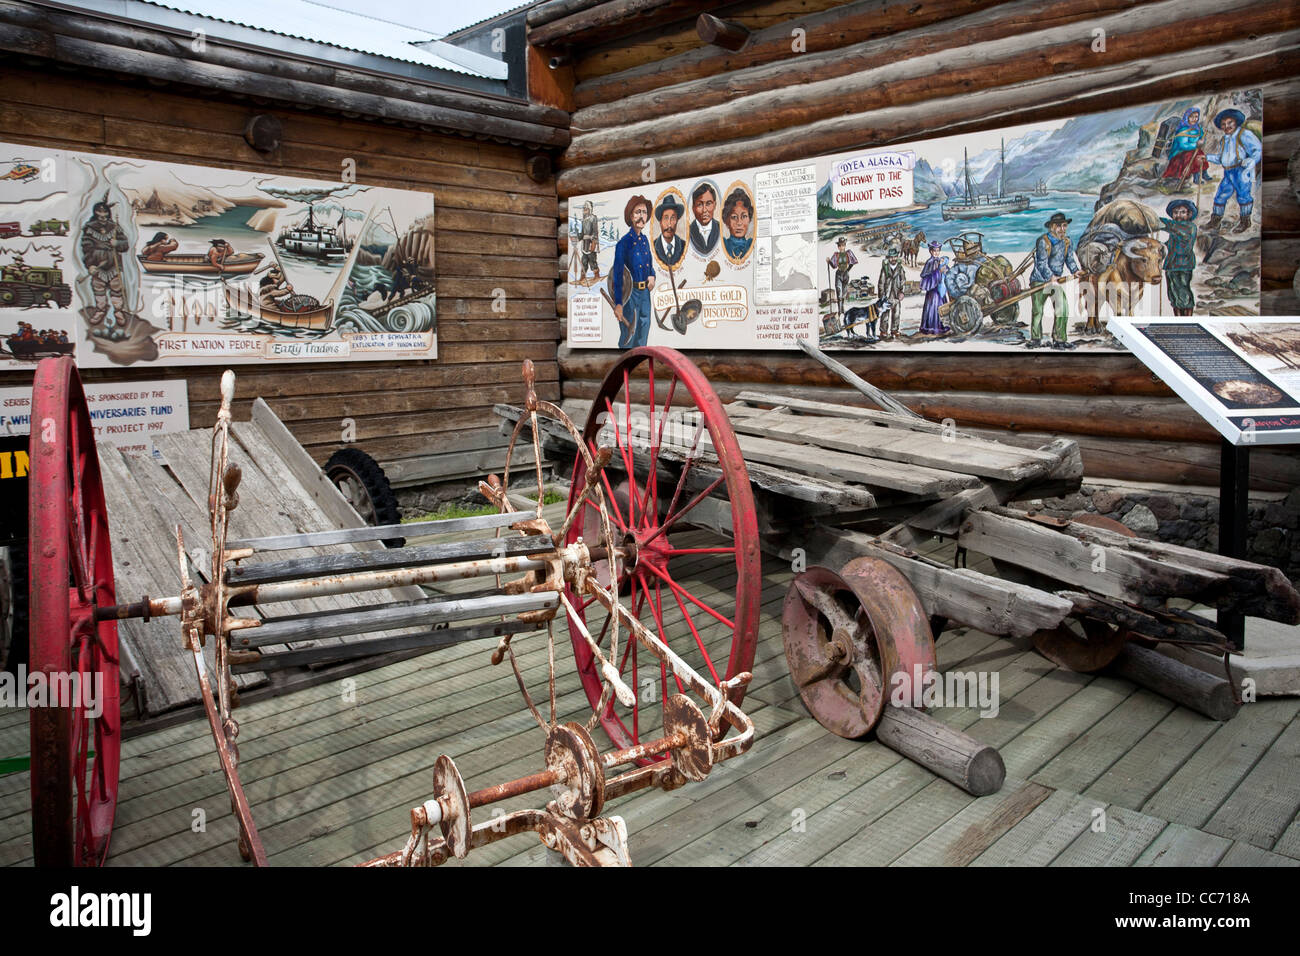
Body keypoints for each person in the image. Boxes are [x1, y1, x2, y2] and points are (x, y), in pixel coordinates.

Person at [79, 198, 135, 338]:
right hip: (98, 264)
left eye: (105, 215)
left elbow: (125, 245)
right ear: (95, 214)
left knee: (116, 288)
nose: (103, 218)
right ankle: (100, 310)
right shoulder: (89, 228)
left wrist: (117, 243)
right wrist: (90, 265)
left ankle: (118, 311)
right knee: (98, 289)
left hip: (113, 264)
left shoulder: (114, 227)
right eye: (100, 215)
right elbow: (86, 248)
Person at [1028, 213, 1081, 349]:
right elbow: (1042, 263)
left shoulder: (1067, 242)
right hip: (1039, 280)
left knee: (1062, 308)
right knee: (1038, 311)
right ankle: (1035, 339)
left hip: (1055, 281)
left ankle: (1059, 339)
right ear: (1052, 227)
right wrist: (1050, 277)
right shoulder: (1043, 241)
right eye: (1059, 226)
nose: (1062, 229)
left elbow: (1069, 259)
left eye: (1064, 226)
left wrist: (1075, 270)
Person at [1205, 108, 1262, 234]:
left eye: (1229, 123)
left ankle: (1245, 221)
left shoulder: (1244, 134)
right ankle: (1215, 221)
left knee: (1243, 195)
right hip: (1228, 172)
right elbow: (1221, 158)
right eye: (1224, 124)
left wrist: (1252, 161)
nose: (1227, 126)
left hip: (1241, 170)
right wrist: (1207, 157)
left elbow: (1258, 150)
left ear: (1235, 122)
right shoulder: (1224, 139)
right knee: (1220, 195)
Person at [611, 195, 655, 349]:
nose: (641, 216)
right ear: (630, 216)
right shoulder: (623, 243)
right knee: (628, 338)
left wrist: (652, 276)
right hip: (630, 296)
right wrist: (618, 303)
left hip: (645, 296)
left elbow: (649, 265)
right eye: (637, 212)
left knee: (643, 332)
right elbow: (617, 275)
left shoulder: (645, 241)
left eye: (644, 212)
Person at [1160, 200, 1198, 316]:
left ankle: (1187, 321)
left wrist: (1155, 220)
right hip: (1171, 266)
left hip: (1183, 266)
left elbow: (1172, 226)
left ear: (1189, 214)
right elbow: (1171, 244)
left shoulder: (1189, 227)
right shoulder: (1175, 230)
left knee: (1183, 294)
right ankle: (1177, 320)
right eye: (1176, 212)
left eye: (1182, 212)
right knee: (1173, 295)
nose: (1179, 215)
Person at [1160, 107, 1210, 188]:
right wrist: (1196, 145)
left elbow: (1201, 137)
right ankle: (1194, 177)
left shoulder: (1198, 128)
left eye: (1196, 116)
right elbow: (1183, 145)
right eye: (1192, 117)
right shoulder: (1182, 130)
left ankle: (1203, 173)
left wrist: (1202, 140)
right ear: (1187, 117)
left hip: (1194, 150)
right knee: (1190, 156)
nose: (1194, 119)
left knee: (1201, 154)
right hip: (1180, 153)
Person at [918, 241, 950, 336]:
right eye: (934, 251)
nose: (936, 252)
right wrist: (938, 272)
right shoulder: (929, 262)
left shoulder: (941, 261)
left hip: (941, 291)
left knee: (942, 307)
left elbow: (947, 272)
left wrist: (945, 271)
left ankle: (943, 326)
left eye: (938, 250)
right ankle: (931, 328)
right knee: (933, 308)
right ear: (931, 251)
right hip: (933, 292)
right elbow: (926, 277)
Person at [877, 243, 906, 340]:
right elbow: (881, 282)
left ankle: (894, 330)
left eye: (895, 257)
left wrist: (902, 292)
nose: (893, 259)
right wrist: (881, 295)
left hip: (897, 295)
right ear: (888, 258)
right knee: (885, 314)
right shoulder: (885, 268)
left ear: (897, 257)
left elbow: (903, 281)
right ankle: (883, 331)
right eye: (891, 257)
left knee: (896, 313)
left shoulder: (900, 268)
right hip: (887, 295)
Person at [653, 194, 686, 268]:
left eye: (673, 218)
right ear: (660, 221)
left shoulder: (684, 246)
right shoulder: (653, 247)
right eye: (665, 218)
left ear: (677, 221)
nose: (669, 225)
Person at [827, 236, 856, 318]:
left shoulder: (848, 253)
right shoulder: (836, 255)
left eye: (843, 245)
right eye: (839, 245)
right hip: (838, 274)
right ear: (838, 246)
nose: (841, 247)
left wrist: (847, 270)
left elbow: (852, 263)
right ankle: (840, 311)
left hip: (846, 274)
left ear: (845, 245)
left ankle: (842, 309)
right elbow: (833, 266)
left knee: (843, 294)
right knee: (839, 293)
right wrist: (829, 261)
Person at [689, 183, 719, 255]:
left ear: (714, 205)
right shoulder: (688, 232)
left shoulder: (720, 228)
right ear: (693, 208)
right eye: (700, 205)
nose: (704, 210)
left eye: (708, 203)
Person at [722, 189, 753, 260]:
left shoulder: (751, 244)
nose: (739, 223)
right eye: (734, 217)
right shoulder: (724, 244)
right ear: (727, 221)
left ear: (749, 219)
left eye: (744, 216)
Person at [578, 201, 600, 279]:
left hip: (591, 244)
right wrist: (578, 237)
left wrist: (592, 240)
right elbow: (581, 233)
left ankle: (597, 276)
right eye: (584, 208)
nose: (584, 210)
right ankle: (582, 277)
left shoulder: (593, 218)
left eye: (586, 208)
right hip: (584, 245)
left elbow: (595, 232)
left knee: (592, 261)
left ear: (589, 209)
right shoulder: (583, 220)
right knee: (584, 261)